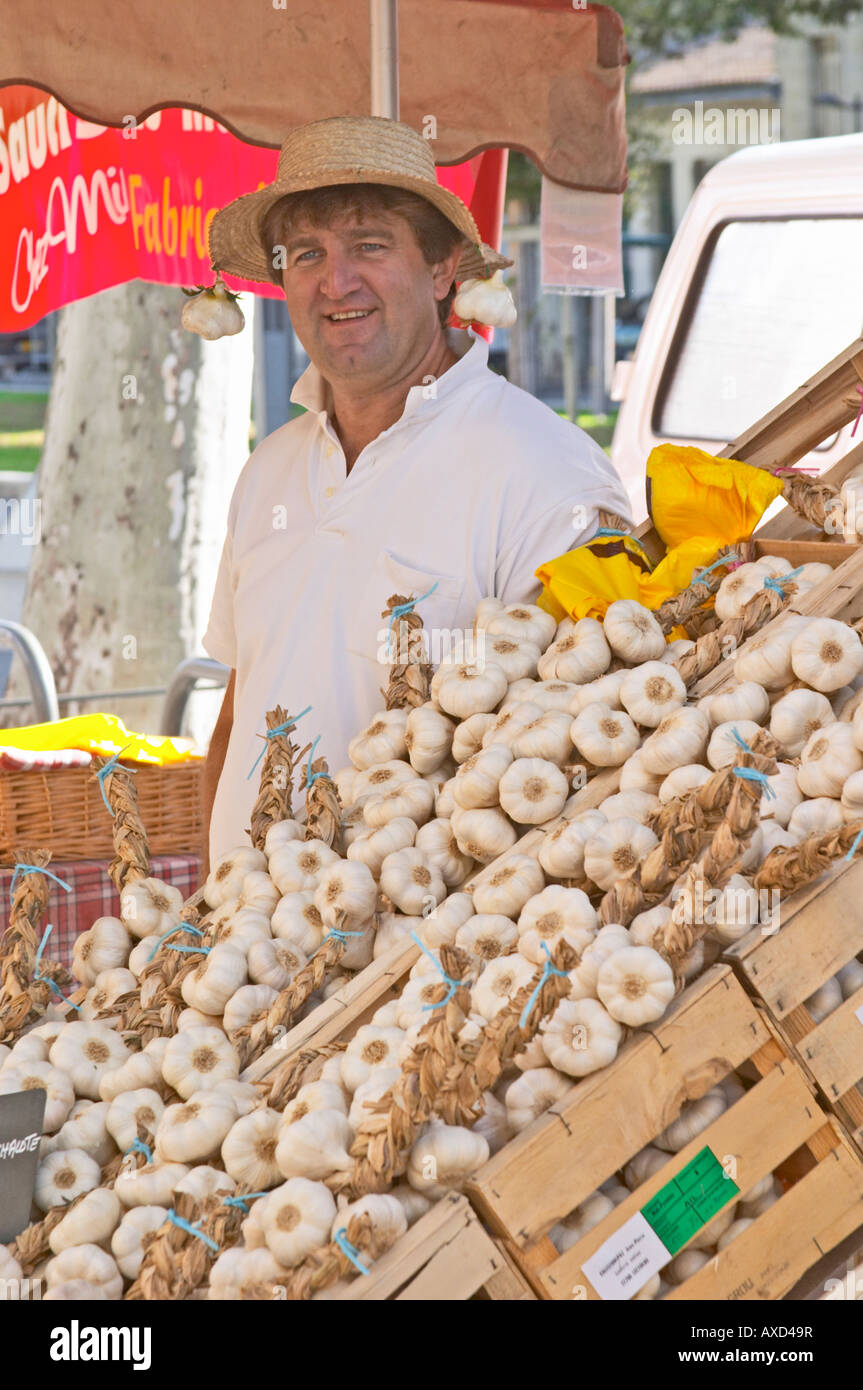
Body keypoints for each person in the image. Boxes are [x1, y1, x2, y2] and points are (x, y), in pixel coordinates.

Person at [201, 115, 632, 867]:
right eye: (307, 255)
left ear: (442, 272)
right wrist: (211, 897)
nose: (336, 282)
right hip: (245, 948)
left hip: (416, 952)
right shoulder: (266, 469)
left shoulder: (543, 471)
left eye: (369, 245)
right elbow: (238, 712)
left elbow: (582, 754)